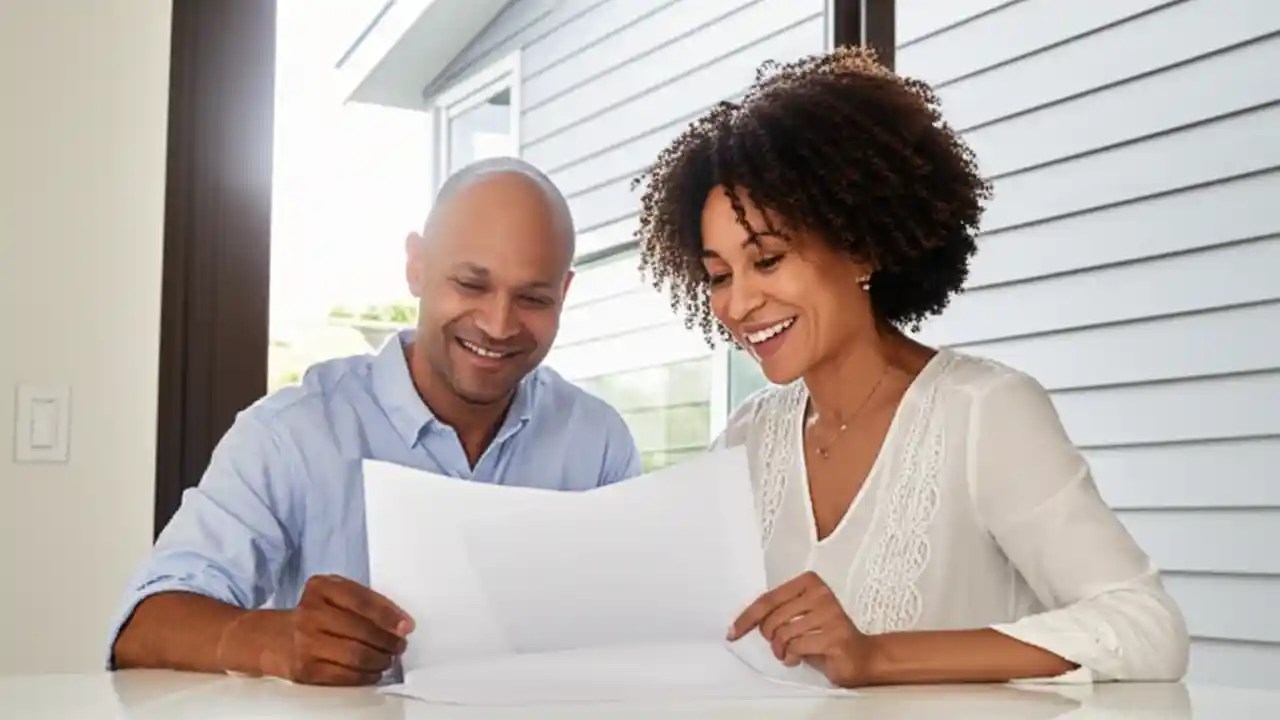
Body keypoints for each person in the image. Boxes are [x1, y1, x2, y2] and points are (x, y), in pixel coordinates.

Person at [632, 47, 1189, 687]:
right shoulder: (745, 438)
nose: (737, 302)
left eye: (768, 259)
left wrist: (876, 656)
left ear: (860, 246)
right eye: (719, 275)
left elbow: (1148, 627)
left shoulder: (983, 412)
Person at [109, 158, 642, 685]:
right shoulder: (292, 433)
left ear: (564, 294)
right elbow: (141, 627)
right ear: (416, 265)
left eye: (532, 298)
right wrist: (270, 639)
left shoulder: (598, 444)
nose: (499, 324)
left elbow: (641, 633)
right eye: (471, 284)